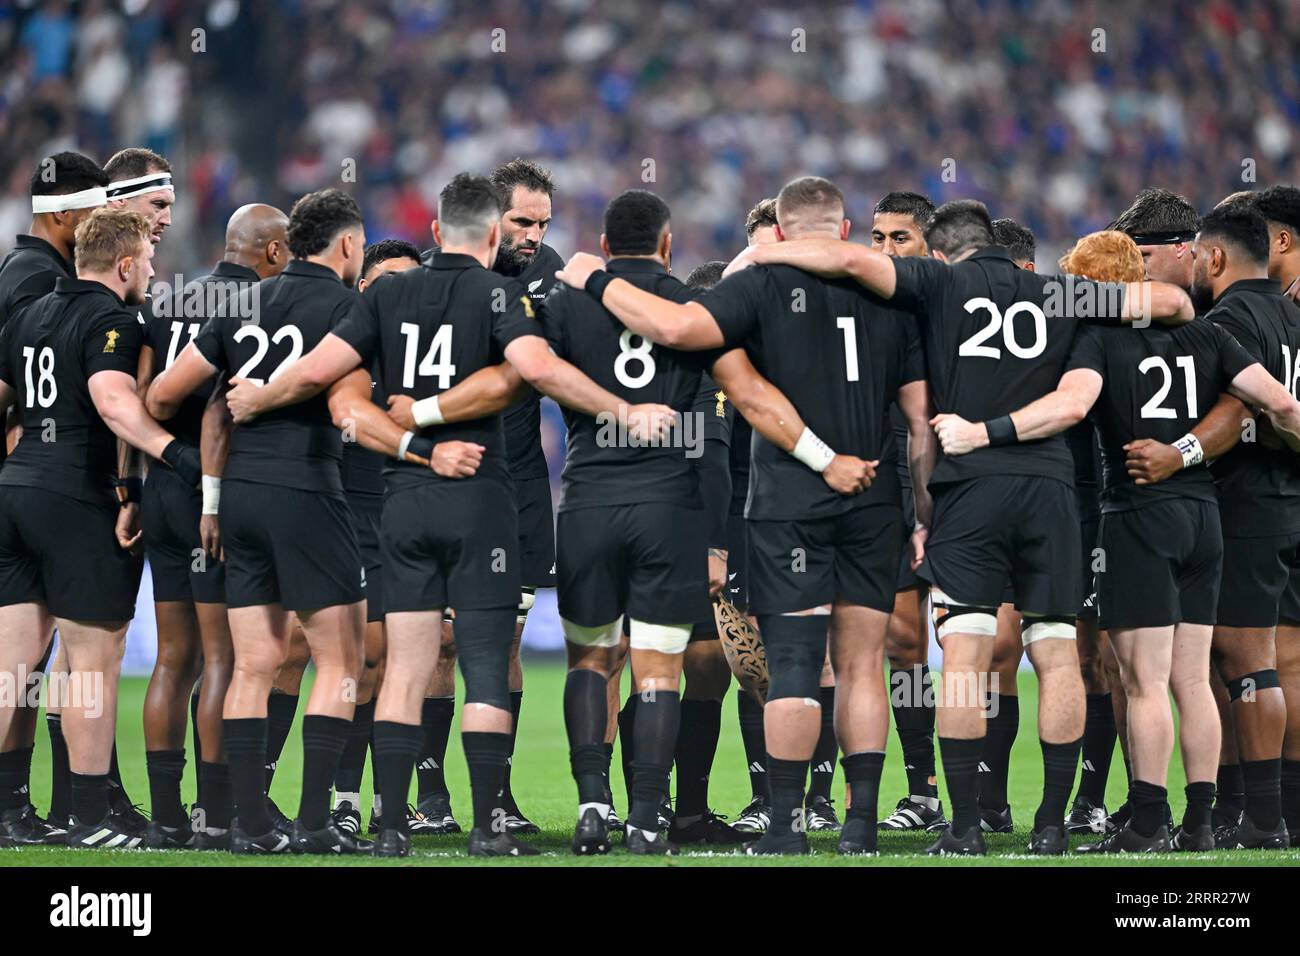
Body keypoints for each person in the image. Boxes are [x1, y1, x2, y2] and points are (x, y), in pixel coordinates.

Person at [0, 208, 201, 848]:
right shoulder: (111, 319)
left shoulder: (25, 316)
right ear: (122, 264)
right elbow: (116, 404)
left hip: (15, 489)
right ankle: (88, 819)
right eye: (146, 259)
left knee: (13, 670)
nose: (152, 269)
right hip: (74, 499)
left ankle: (8, 813)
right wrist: (176, 455)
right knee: (91, 663)